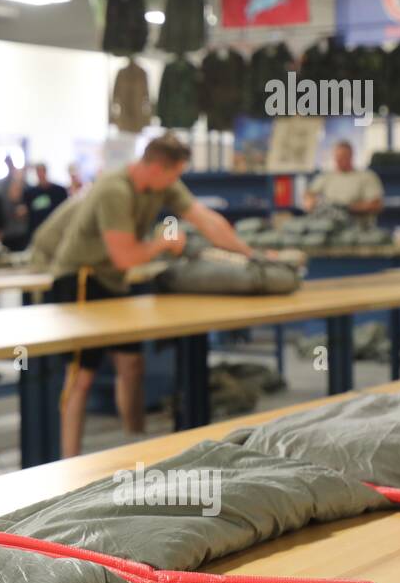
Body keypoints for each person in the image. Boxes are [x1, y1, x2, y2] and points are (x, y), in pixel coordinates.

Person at [50, 135, 256, 456]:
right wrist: (162, 243)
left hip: (113, 283)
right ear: (158, 166)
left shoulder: (164, 184)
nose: (177, 181)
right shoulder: (113, 189)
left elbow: (206, 220)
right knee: (81, 378)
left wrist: (251, 254)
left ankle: (136, 446)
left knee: (132, 366)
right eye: (174, 173)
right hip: (80, 280)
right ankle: (67, 461)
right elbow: (126, 257)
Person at [303, 140, 384, 224]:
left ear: (351, 156)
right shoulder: (327, 177)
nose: (339, 160)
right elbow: (309, 193)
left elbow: (376, 205)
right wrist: (310, 201)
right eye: (337, 157)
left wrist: (347, 208)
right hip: (330, 226)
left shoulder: (367, 177)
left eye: (343, 157)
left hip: (358, 228)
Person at [20, 162, 68, 234]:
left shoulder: (59, 191)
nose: (40, 174)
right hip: (37, 230)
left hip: (56, 228)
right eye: (38, 171)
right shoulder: (30, 193)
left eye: (42, 171)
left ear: (46, 172)